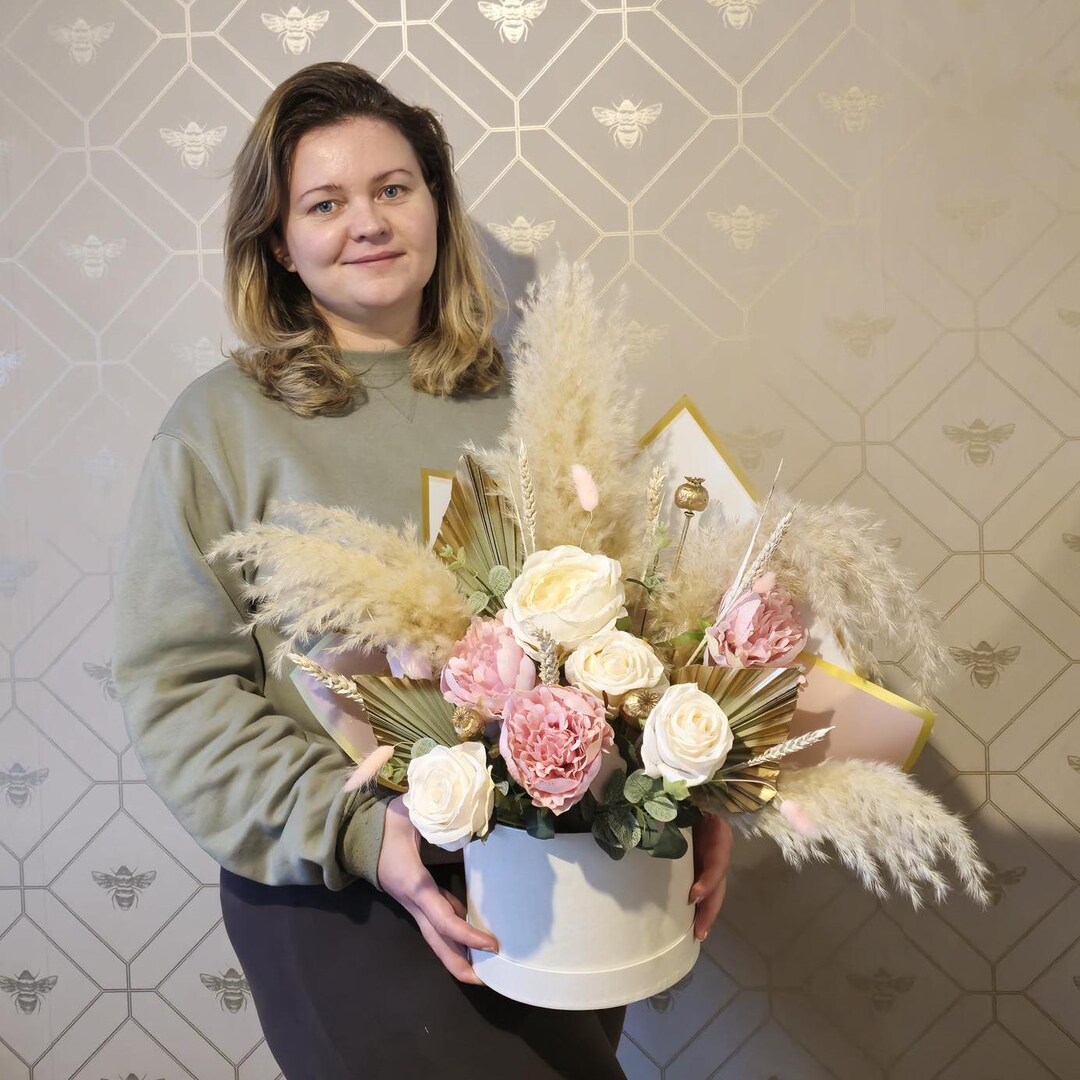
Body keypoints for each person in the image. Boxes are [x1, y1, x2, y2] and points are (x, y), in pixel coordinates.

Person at [113, 61, 732, 1080]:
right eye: (326, 202)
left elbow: (640, 635)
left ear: (435, 206)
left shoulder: (532, 407)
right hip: (341, 890)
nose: (368, 221)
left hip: (555, 872)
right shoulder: (218, 428)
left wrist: (693, 793)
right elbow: (176, 689)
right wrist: (360, 831)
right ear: (278, 240)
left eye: (394, 189)